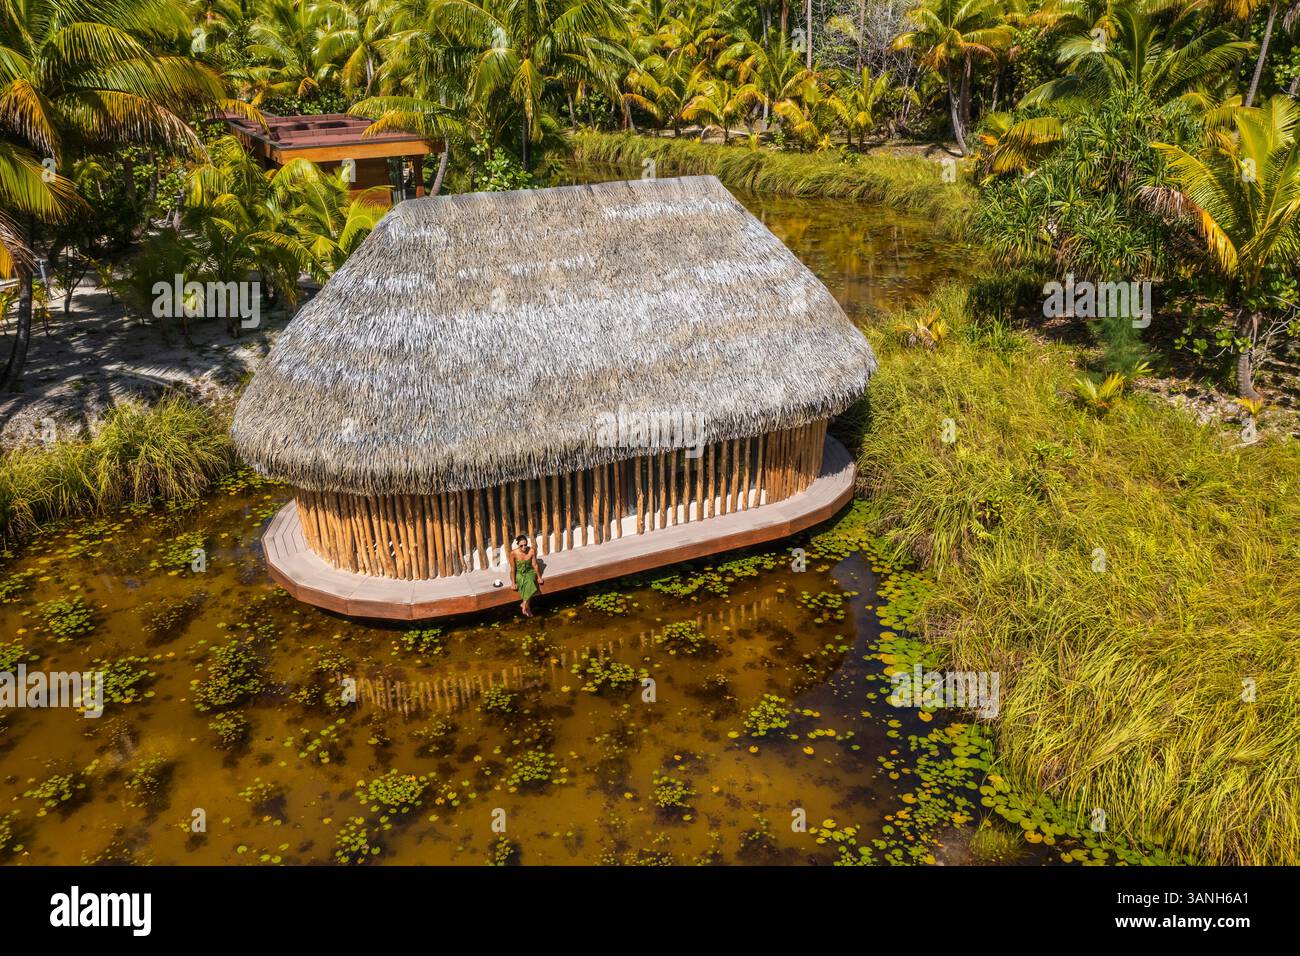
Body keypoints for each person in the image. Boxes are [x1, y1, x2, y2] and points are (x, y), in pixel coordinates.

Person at [508, 533, 543, 617]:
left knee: (530, 581)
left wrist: (539, 577)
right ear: (518, 545)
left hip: (529, 571)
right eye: (521, 546)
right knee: (526, 583)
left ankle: (524, 604)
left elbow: (535, 565)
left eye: (525, 545)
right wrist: (513, 583)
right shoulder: (513, 553)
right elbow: (513, 569)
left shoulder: (531, 551)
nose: (524, 547)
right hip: (518, 573)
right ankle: (527, 607)